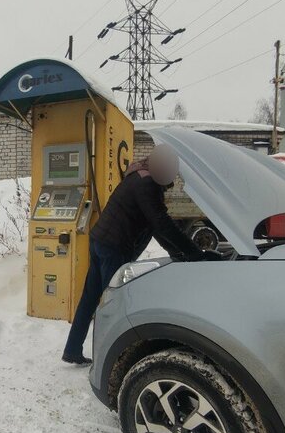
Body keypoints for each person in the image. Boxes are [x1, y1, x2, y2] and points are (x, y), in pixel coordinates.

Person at [61, 144, 219, 365]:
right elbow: (162, 224)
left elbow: (154, 226)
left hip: (100, 241)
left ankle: (72, 349)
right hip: (115, 246)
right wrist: (194, 253)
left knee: (90, 297)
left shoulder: (137, 176)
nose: (167, 187)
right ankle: (107, 361)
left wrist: (178, 253)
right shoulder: (147, 184)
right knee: (115, 305)